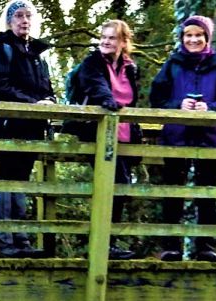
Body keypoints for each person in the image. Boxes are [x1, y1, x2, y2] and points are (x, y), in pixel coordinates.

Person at [148, 15, 216, 262]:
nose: (193, 39)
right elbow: (156, 97)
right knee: (172, 193)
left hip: (210, 135)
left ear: (207, 37)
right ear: (182, 38)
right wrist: (179, 105)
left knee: (207, 193)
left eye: (198, 35)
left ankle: (205, 246)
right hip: (177, 134)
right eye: (188, 35)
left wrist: (211, 108)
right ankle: (171, 247)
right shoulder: (173, 64)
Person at [0, 0, 54, 259]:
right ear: (10, 21)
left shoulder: (37, 54)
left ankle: (20, 240)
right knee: (4, 178)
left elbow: (47, 89)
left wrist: (49, 102)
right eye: (19, 16)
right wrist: (33, 103)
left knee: (21, 180)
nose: (25, 21)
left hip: (31, 128)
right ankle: (2, 241)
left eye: (29, 16)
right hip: (6, 126)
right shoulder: (2, 49)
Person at [69, 19, 142, 260]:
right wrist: (107, 100)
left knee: (120, 187)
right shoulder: (92, 62)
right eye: (104, 37)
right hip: (97, 130)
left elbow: (133, 101)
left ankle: (107, 242)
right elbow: (93, 83)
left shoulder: (131, 67)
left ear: (123, 41)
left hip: (123, 134)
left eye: (112, 38)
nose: (106, 41)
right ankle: (102, 244)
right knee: (113, 183)